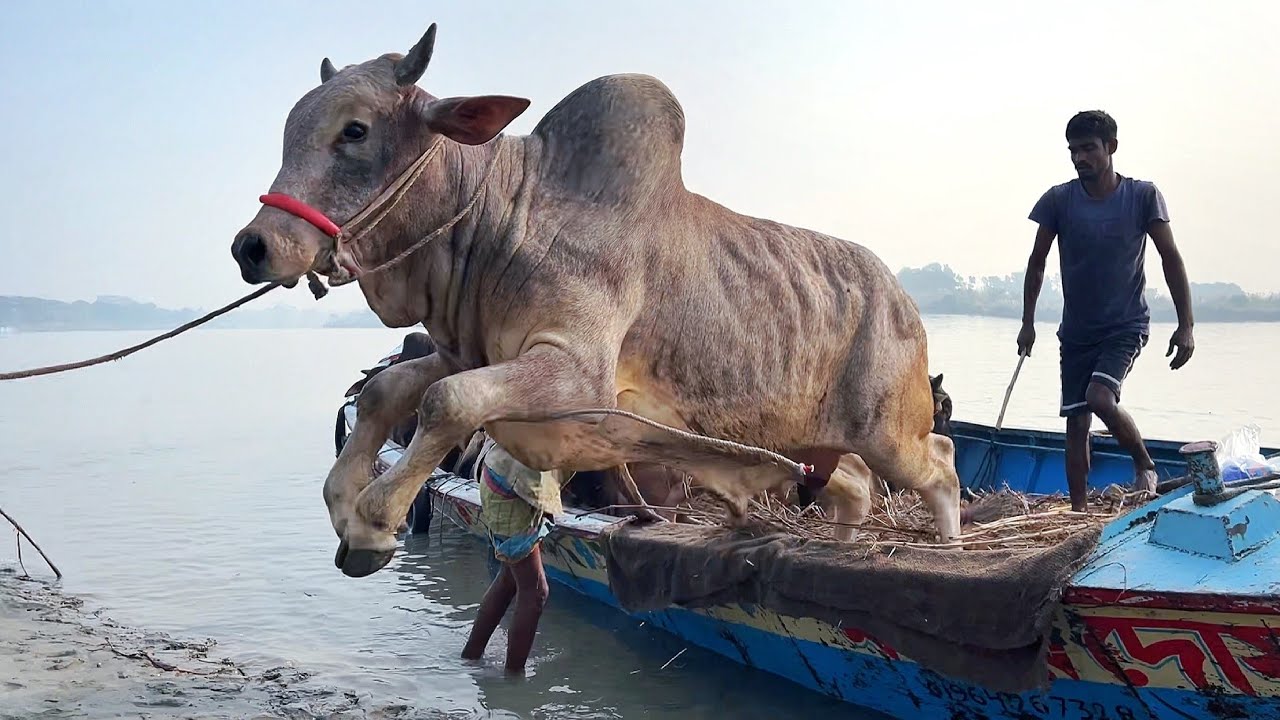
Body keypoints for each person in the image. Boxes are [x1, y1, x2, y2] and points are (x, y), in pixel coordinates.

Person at [1018, 110, 1195, 511]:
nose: (1080, 158)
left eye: (1088, 149)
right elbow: (1037, 261)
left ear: (1111, 148)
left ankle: (1144, 463)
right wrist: (1028, 323)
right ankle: (1078, 513)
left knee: (1099, 397)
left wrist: (1186, 325)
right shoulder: (1058, 201)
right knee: (1076, 423)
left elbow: (1171, 257)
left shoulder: (1141, 197)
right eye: (1073, 151)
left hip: (1124, 325)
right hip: (1077, 332)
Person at [460, 435, 563, 675]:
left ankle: (470, 658)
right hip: (513, 485)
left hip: (502, 475)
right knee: (536, 592)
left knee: (509, 579)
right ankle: (514, 680)